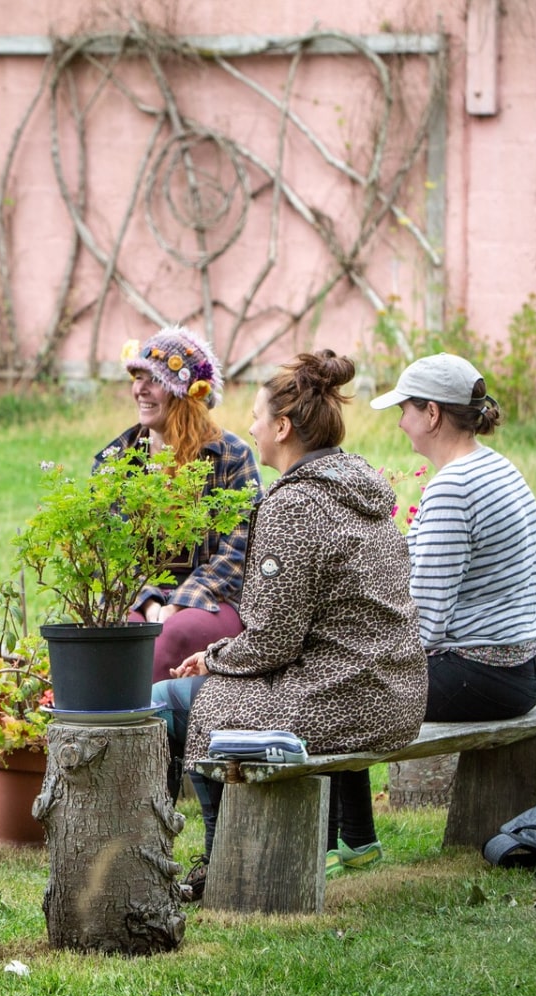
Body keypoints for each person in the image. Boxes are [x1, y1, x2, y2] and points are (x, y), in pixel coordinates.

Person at [154, 350, 426, 899]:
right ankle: (244, 851)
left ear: (282, 427)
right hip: (397, 692)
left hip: (345, 696)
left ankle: (220, 861)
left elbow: (273, 641)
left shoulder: (294, 505)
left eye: (257, 416)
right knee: (213, 693)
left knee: (179, 700)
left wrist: (211, 659)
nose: (250, 428)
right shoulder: (355, 484)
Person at [371, 353, 536, 723]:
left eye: (405, 409)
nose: (401, 423)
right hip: (520, 669)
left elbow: (426, 624)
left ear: (432, 414)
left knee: (334, 691)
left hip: (479, 675)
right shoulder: (496, 465)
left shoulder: (453, 487)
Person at [98, 328, 260, 683]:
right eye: (137, 378)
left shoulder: (231, 457)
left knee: (174, 635)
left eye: (152, 380)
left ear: (184, 394)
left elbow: (239, 554)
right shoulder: (118, 462)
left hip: (213, 599)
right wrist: (150, 601)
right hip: (138, 595)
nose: (139, 389)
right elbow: (112, 555)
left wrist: (178, 603)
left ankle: (156, 735)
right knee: (119, 632)